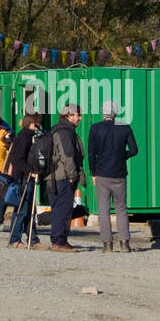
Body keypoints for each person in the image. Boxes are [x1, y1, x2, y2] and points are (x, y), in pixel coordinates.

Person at [88, 100, 138, 252]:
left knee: (103, 209)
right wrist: (122, 155)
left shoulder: (95, 128)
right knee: (121, 208)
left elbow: (91, 153)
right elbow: (134, 150)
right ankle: (125, 243)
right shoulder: (125, 127)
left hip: (102, 173)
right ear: (116, 112)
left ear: (103, 112)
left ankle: (107, 244)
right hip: (119, 173)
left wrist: (93, 172)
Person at [5, 114, 46, 249]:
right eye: (36, 125)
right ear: (31, 124)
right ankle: (15, 239)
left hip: (25, 176)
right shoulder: (25, 138)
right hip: (23, 178)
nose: (38, 127)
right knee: (22, 209)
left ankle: (33, 238)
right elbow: (19, 159)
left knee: (29, 209)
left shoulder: (25, 136)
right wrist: (30, 171)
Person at [48, 104, 85, 253]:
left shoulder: (57, 130)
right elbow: (67, 156)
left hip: (55, 176)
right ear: (69, 116)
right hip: (63, 176)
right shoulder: (65, 132)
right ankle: (58, 241)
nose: (80, 118)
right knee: (63, 209)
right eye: (77, 115)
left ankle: (60, 239)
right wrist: (72, 175)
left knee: (59, 209)